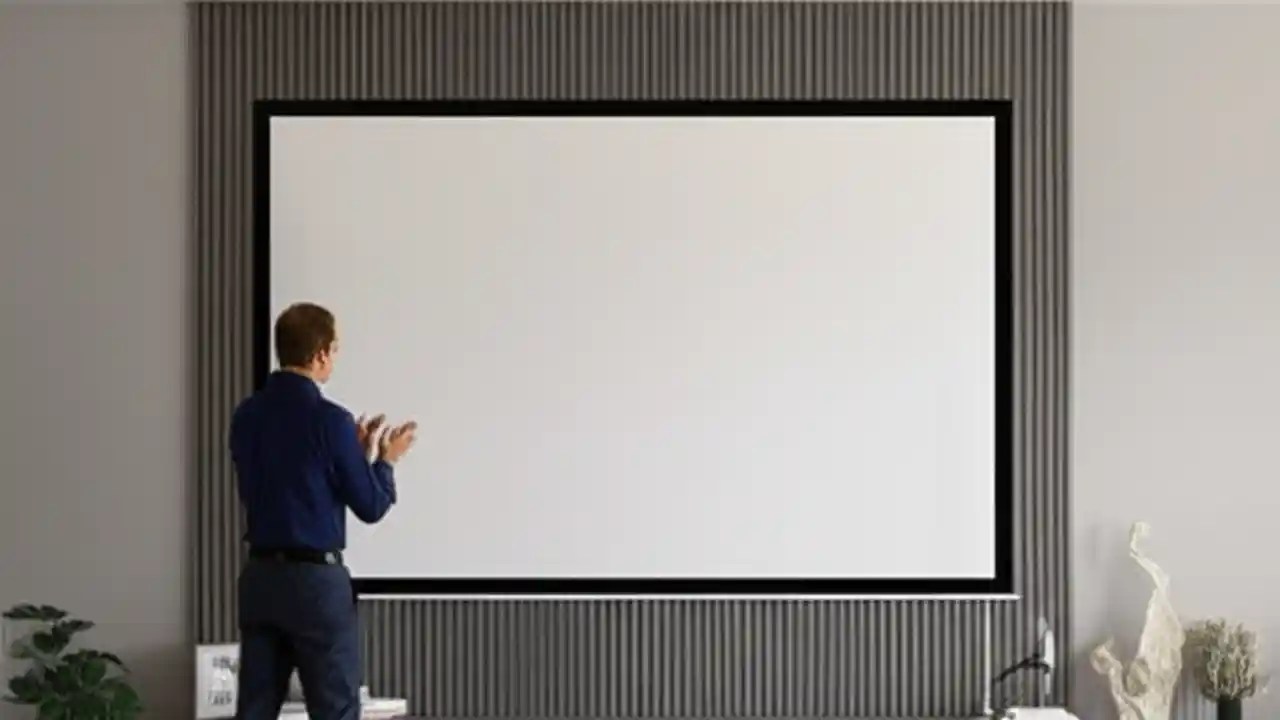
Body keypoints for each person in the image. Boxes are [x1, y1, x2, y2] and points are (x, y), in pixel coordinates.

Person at [229, 302, 417, 720]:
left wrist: (349, 450)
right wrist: (384, 462)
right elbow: (370, 505)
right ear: (319, 354)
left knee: (255, 710)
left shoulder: (247, 416)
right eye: (334, 350)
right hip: (315, 586)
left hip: (260, 580)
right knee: (334, 710)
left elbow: (289, 475)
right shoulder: (331, 421)